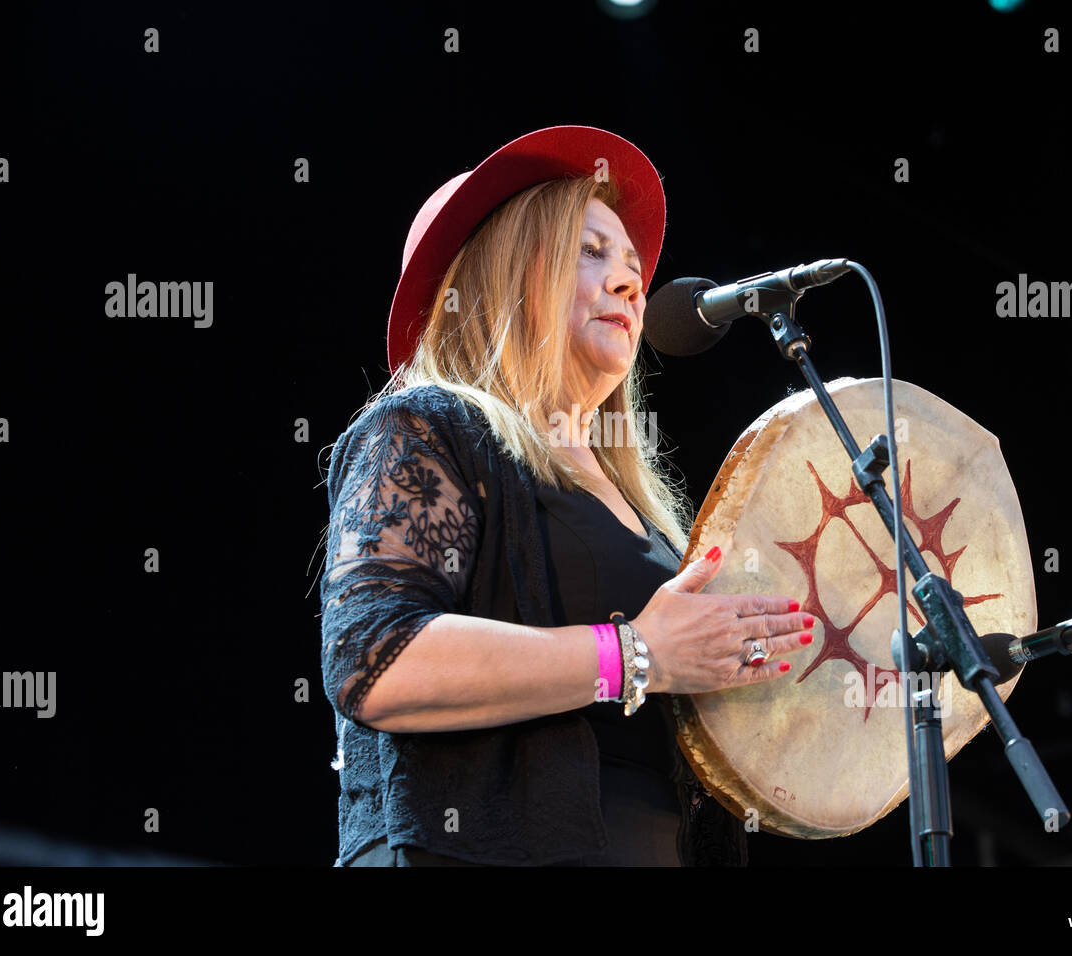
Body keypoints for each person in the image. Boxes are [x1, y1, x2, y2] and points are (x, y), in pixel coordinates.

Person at [318, 125, 814, 866]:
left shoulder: (644, 513)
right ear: (504, 275)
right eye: (590, 251)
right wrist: (635, 653)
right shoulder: (425, 427)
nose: (629, 282)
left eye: (632, 265)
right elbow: (373, 658)